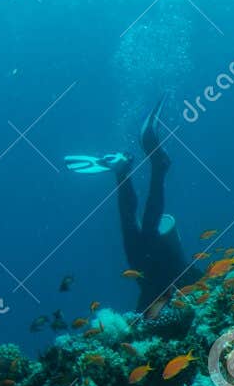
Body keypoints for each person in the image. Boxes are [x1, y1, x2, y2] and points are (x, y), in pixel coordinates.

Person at [66, 100, 198, 311]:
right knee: (143, 230)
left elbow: (146, 313)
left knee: (133, 228)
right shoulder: (194, 290)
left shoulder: (151, 307)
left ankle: (124, 172)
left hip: (149, 273)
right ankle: (148, 168)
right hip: (163, 268)